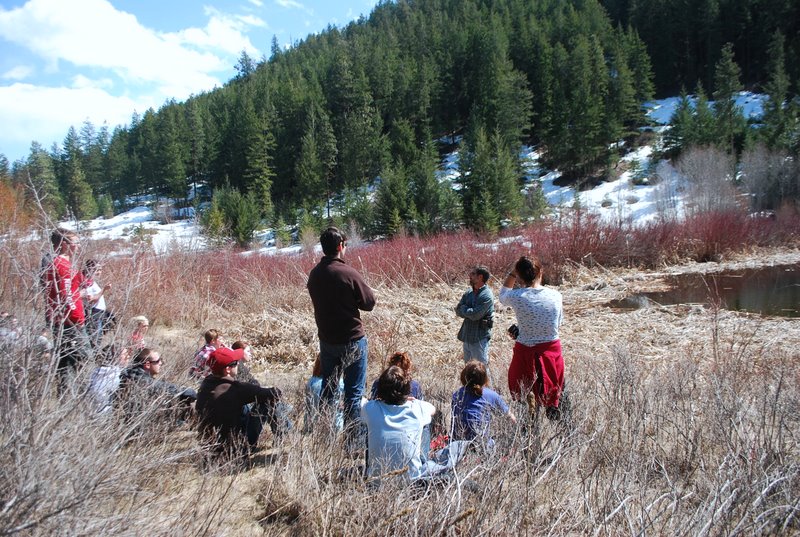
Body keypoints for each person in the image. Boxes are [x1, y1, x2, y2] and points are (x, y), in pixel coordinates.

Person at [307, 227, 376, 434]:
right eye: (344, 245)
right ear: (340, 246)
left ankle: (325, 436)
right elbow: (369, 303)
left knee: (328, 389)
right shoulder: (347, 272)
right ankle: (352, 441)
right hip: (352, 339)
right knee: (353, 393)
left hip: (327, 341)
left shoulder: (315, 274)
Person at [499, 255, 565, 420]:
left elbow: (502, 296)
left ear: (520, 276)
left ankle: (528, 432)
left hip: (525, 353)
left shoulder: (517, 297)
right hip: (551, 352)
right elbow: (557, 324)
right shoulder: (556, 296)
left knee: (525, 399)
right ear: (540, 272)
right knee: (556, 394)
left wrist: (512, 273)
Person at [195, 347, 287, 456]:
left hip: (208, 449)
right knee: (267, 401)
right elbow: (275, 393)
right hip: (236, 449)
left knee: (244, 407)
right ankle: (283, 436)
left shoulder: (206, 384)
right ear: (228, 369)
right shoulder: (236, 389)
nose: (238, 364)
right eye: (235, 363)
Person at [361, 366, 438, 483]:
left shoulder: (370, 408)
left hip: (376, 482)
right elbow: (433, 409)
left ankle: (369, 467)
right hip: (412, 482)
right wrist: (413, 400)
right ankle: (423, 463)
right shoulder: (417, 408)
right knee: (425, 424)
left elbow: (359, 402)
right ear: (407, 389)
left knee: (369, 424)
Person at [43, 228, 93, 393]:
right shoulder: (60, 264)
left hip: (66, 320)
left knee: (68, 361)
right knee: (81, 356)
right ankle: (69, 394)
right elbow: (65, 295)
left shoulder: (63, 264)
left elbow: (73, 285)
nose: (78, 246)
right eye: (75, 243)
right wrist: (75, 317)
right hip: (69, 321)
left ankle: (67, 394)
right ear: (64, 244)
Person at [116, 347, 197, 423]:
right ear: (147, 364)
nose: (161, 363)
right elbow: (162, 387)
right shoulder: (142, 381)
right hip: (142, 424)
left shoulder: (130, 375)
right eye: (158, 361)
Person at [451, 360, 516, 446]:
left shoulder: (457, 394)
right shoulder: (491, 395)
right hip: (481, 444)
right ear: (485, 379)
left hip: (457, 444)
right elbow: (512, 419)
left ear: (463, 377)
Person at [455, 266, 494, 368]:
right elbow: (457, 310)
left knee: (481, 370)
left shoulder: (487, 295)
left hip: (479, 339)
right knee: (468, 369)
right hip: (467, 337)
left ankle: (487, 385)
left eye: (472, 274)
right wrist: (467, 310)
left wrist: (465, 309)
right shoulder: (469, 293)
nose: (470, 276)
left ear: (480, 277)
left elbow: (475, 315)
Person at [304, 355, 345, 433]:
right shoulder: (340, 383)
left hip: (312, 425)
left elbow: (308, 408)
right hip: (335, 426)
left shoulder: (311, 382)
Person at [87, 344, 130, 414]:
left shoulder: (96, 372)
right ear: (114, 357)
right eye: (125, 354)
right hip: (106, 416)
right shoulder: (114, 376)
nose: (128, 357)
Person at [81, 260, 113, 348]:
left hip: (100, 313)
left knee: (98, 337)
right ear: (90, 269)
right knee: (95, 338)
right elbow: (91, 299)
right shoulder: (86, 283)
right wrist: (104, 289)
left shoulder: (92, 282)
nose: (99, 272)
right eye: (97, 269)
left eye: (100, 269)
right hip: (94, 313)